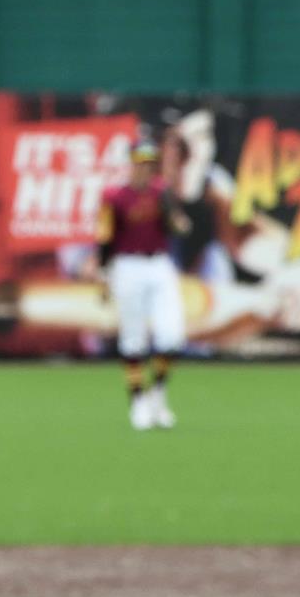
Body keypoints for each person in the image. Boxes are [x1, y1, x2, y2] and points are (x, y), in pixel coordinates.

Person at [94, 139, 188, 429]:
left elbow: (178, 226)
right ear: (131, 164)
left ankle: (157, 394)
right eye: (139, 163)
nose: (144, 169)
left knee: (171, 335)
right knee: (133, 337)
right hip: (127, 265)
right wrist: (103, 274)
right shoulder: (114, 196)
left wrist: (175, 217)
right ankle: (137, 401)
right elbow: (105, 237)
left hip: (158, 263)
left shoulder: (161, 192)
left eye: (148, 164)